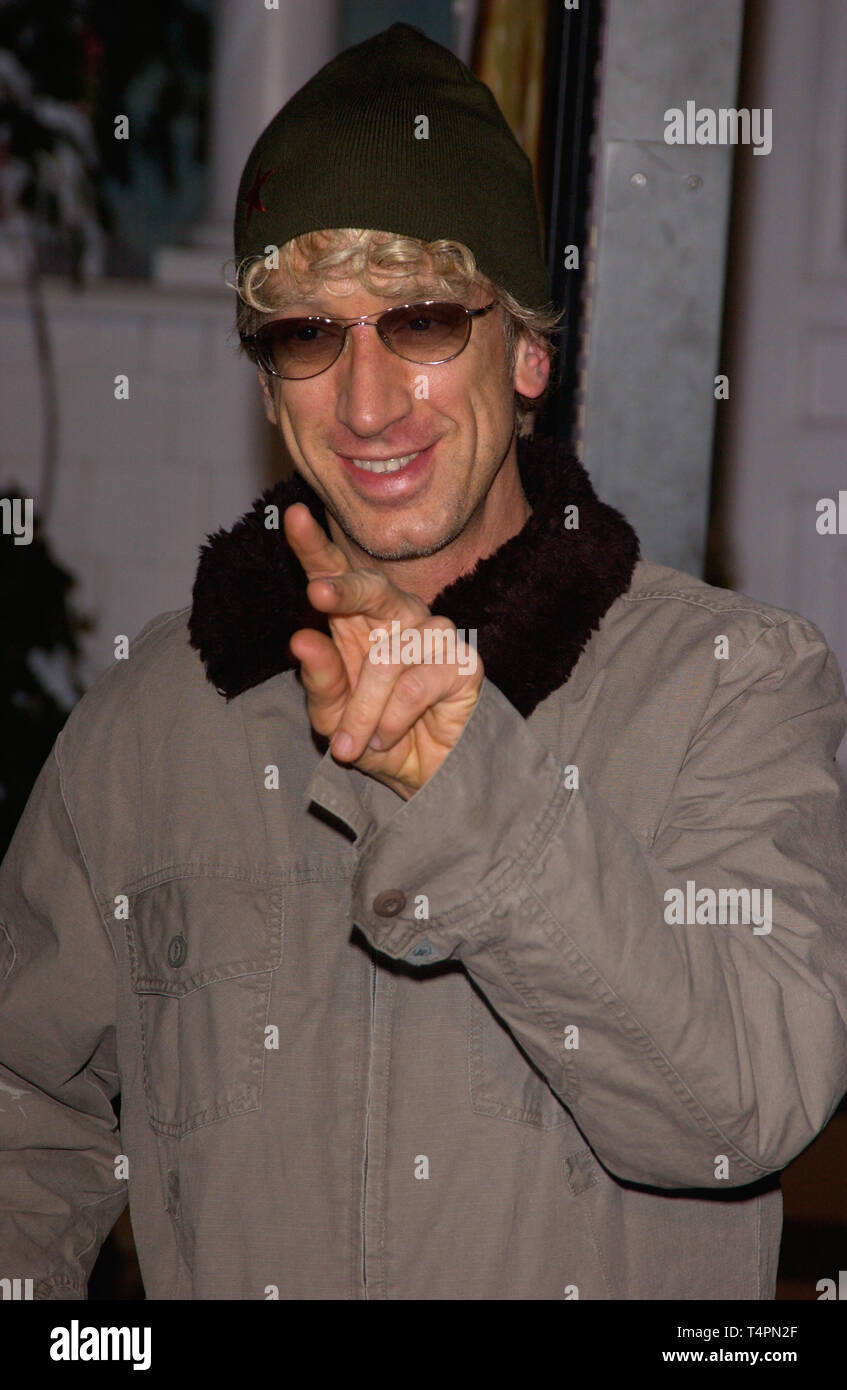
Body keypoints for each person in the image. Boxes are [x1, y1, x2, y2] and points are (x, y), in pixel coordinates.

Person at [1, 22, 847, 1303]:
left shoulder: (733, 683)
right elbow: (26, 1121)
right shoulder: (146, 723)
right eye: (308, 335)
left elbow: (745, 1105)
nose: (366, 402)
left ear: (527, 352)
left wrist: (472, 793)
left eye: (423, 321)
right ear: (269, 381)